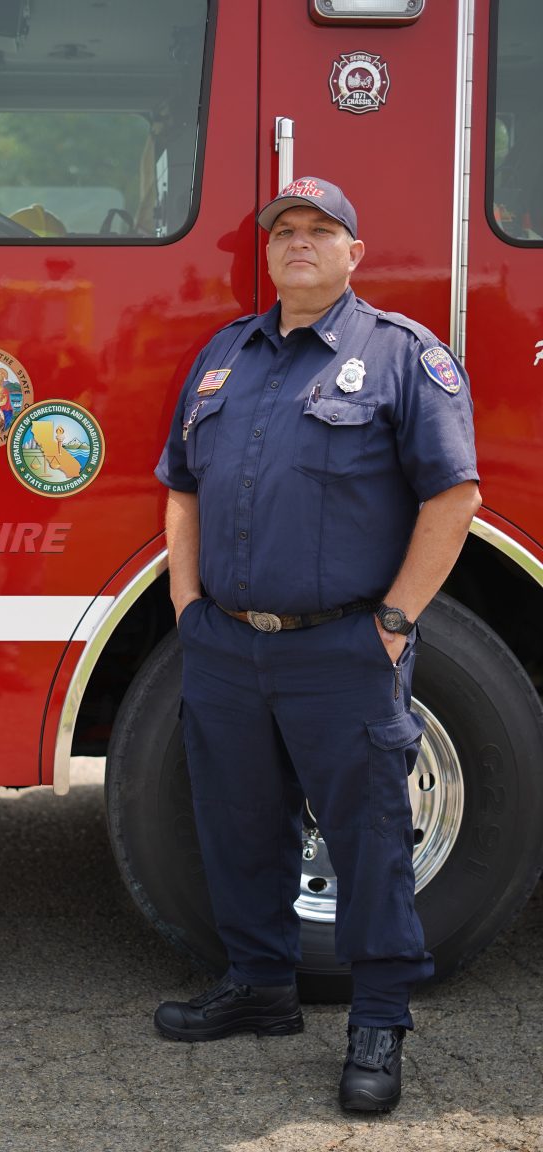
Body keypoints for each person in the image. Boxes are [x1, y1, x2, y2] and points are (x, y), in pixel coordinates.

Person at [153, 176, 481, 1113]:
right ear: (267, 252)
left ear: (353, 253)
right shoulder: (224, 354)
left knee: (368, 839)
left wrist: (394, 622)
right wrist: (186, 603)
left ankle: (378, 1020)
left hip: (341, 648)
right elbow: (182, 486)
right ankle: (260, 986)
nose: (299, 241)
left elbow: (454, 497)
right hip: (225, 644)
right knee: (237, 822)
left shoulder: (401, 355)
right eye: (283, 229)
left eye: (320, 229)